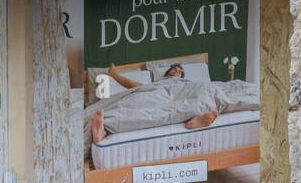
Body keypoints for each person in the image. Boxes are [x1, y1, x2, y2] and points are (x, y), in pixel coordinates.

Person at [89, 61, 220, 144]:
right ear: (167, 73)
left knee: (204, 91)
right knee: (139, 109)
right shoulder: (156, 84)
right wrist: (114, 74)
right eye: (175, 69)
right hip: (155, 96)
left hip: (181, 97)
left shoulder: (188, 84)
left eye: (181, 71)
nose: (178, 71)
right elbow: (134, 86)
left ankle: (196, 118)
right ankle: (104, 129)